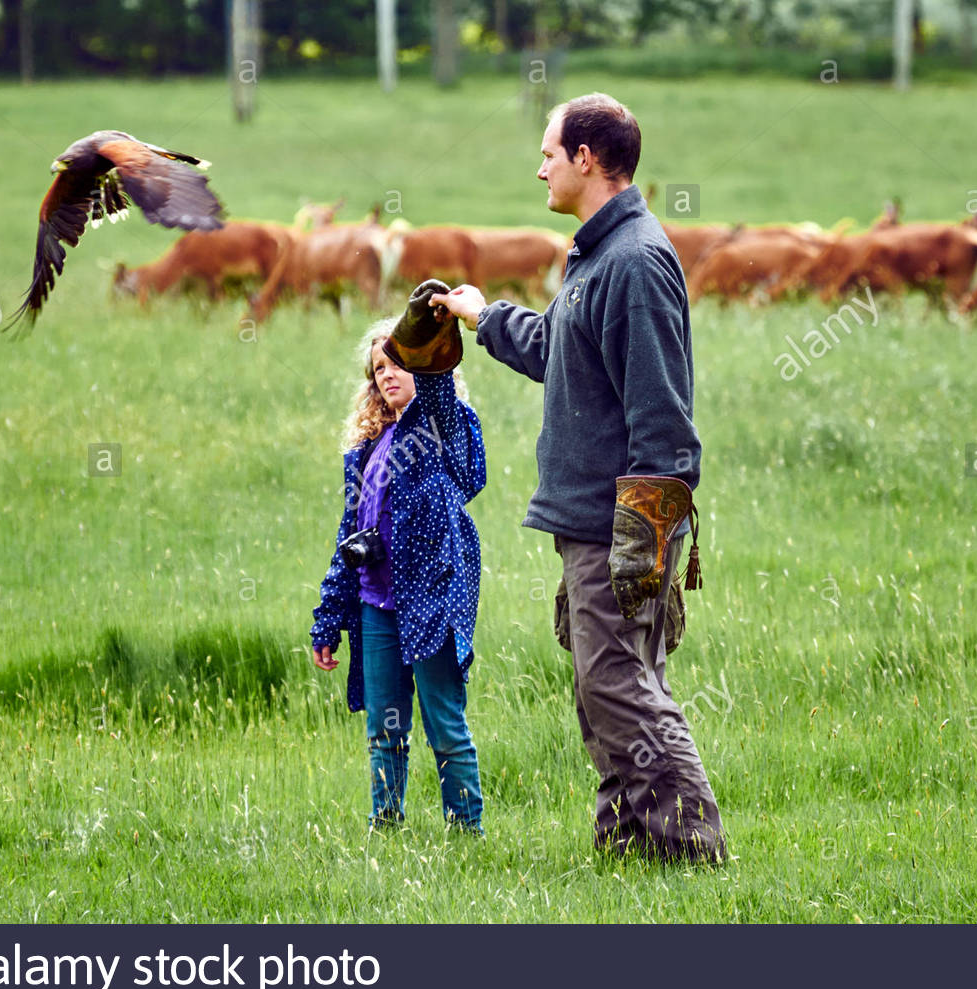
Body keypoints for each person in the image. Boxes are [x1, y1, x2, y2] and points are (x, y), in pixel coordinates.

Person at [430, 92, 725, 862]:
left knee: (621, 690)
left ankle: (693, 850)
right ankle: (628, 852)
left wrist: (647, 539)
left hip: (618, 522)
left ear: (585, 159)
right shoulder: (599, 255)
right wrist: (479, 315)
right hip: (592, 521)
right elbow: (561, 348)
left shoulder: (633, 261)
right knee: (607, 694)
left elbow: (662, 417)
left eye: (548, 154)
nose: (540, 170)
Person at [310, 311, 486, 833]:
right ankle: (384, 827)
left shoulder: (443, 427)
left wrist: (425, 335)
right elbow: (350, 541)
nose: (385, 375)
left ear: (424, 366)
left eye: (397, 363)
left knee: (445, 727)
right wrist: (328, 620)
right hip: (376, 607)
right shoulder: (367, 451)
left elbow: (437, 394)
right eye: (377, 369)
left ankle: (467, 832)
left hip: (431, 601)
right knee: (385, 730)